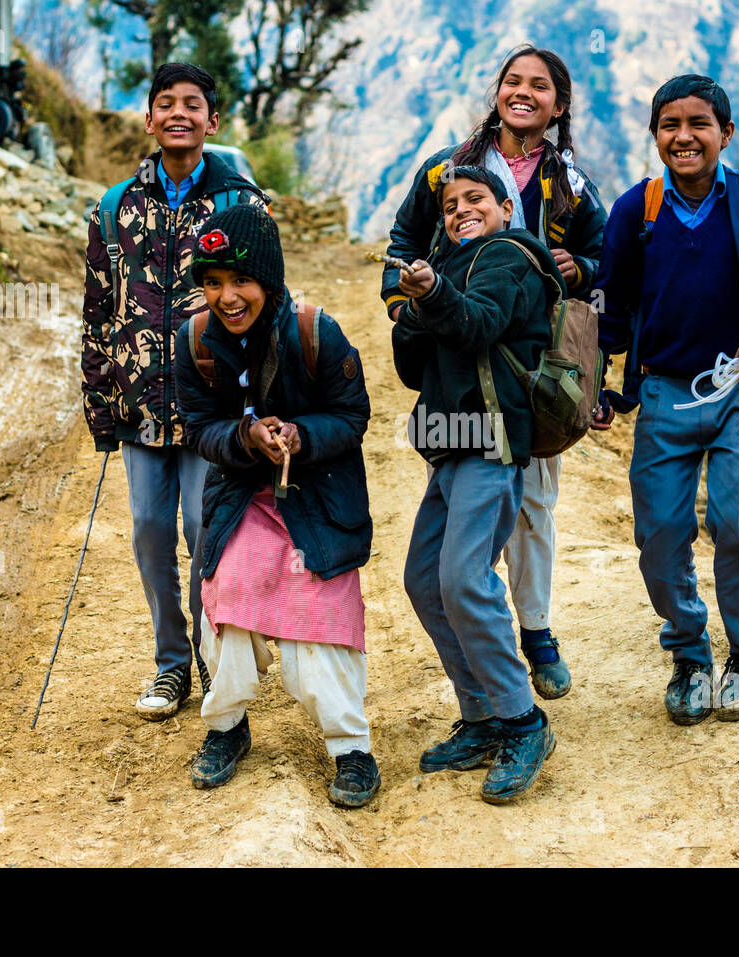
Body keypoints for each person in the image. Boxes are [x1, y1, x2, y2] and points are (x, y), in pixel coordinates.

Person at [381, 45, 607, 699]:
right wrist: (408, 304)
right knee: (464, 498)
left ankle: (533, 632)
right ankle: (489, 654)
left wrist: (579, 271)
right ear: (497, 90)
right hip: (458, 358)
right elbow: (402, 238)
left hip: (531, 367)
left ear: (558, 105)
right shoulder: (448, 170)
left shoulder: (571, 182)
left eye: (541, 86)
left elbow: (602, 257)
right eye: (513, 81)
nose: (524, 93)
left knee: (534, 501)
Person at [593, 75, 739, 726]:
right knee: (659, 534)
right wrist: (593, 387)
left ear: (726, 134)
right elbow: (611, 306)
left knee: (733, 518)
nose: (683, 136)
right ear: (655, 135)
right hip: (664, 393)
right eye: (669, 124)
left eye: (698, 124)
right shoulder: (638, 212)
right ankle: (689, 654)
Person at [175, 204, 380, 807]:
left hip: (315, 501)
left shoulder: (317, 333)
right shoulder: (195, 342)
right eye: (212, 283)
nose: (227, 297)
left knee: (317, 626)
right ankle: (226, 728)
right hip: (241, 497)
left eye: (240, 281)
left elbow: (352, 416)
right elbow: (197, 427)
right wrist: (242, 439)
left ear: (269, 278)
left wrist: (298, 435)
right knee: (227, 611)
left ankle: (351, 748)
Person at [80, 62, 264, 720]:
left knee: (203, 528)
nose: (179, 113)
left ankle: (212, 654)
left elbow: (265, 307)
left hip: (211, 410)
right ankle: (169, 665)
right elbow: (99, 310)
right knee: (151, 532)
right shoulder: (115, 206)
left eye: (194, 103)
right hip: (139, 405)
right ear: (149, 119)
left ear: (213, 122)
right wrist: (101, 404)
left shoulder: (240, 204)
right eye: (166, 103)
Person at [394, 166, 561, 805]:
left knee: (464, 577)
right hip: (449, 446)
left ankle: (523, 720)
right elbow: (413, 368)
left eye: (476, 200)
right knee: (424, 580)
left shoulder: (510, 257)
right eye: (450, 205)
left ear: (503, 207)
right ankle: (483, 714)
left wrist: (434, 294)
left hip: (492, 442)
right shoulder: (446, 266)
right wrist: (417, 304)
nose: (461, 210)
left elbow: (479, 325)